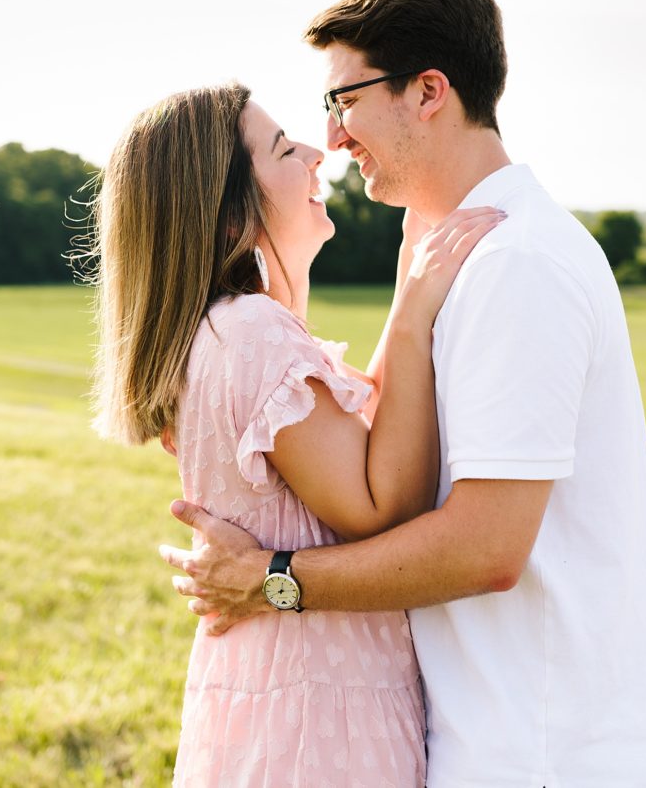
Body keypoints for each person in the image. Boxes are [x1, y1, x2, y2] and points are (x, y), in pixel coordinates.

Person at [161, 0, 646, 786]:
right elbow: (377, 451)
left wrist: (271, 580)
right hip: (499, 740)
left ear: (428, 91)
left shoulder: (517, 264)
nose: (333, 136)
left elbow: (485, 549)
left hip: (543, 753)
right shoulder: (468, 259)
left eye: (345, 100)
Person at [94, 82, 503, 785]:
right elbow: (384, 504)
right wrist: (409, 317)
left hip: (284, 701)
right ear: (230, 220)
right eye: (284, 149)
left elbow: (359, 440)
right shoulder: (252, 333)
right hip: (319, 726)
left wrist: (410, 267)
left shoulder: (230, 333)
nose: (318, 151)